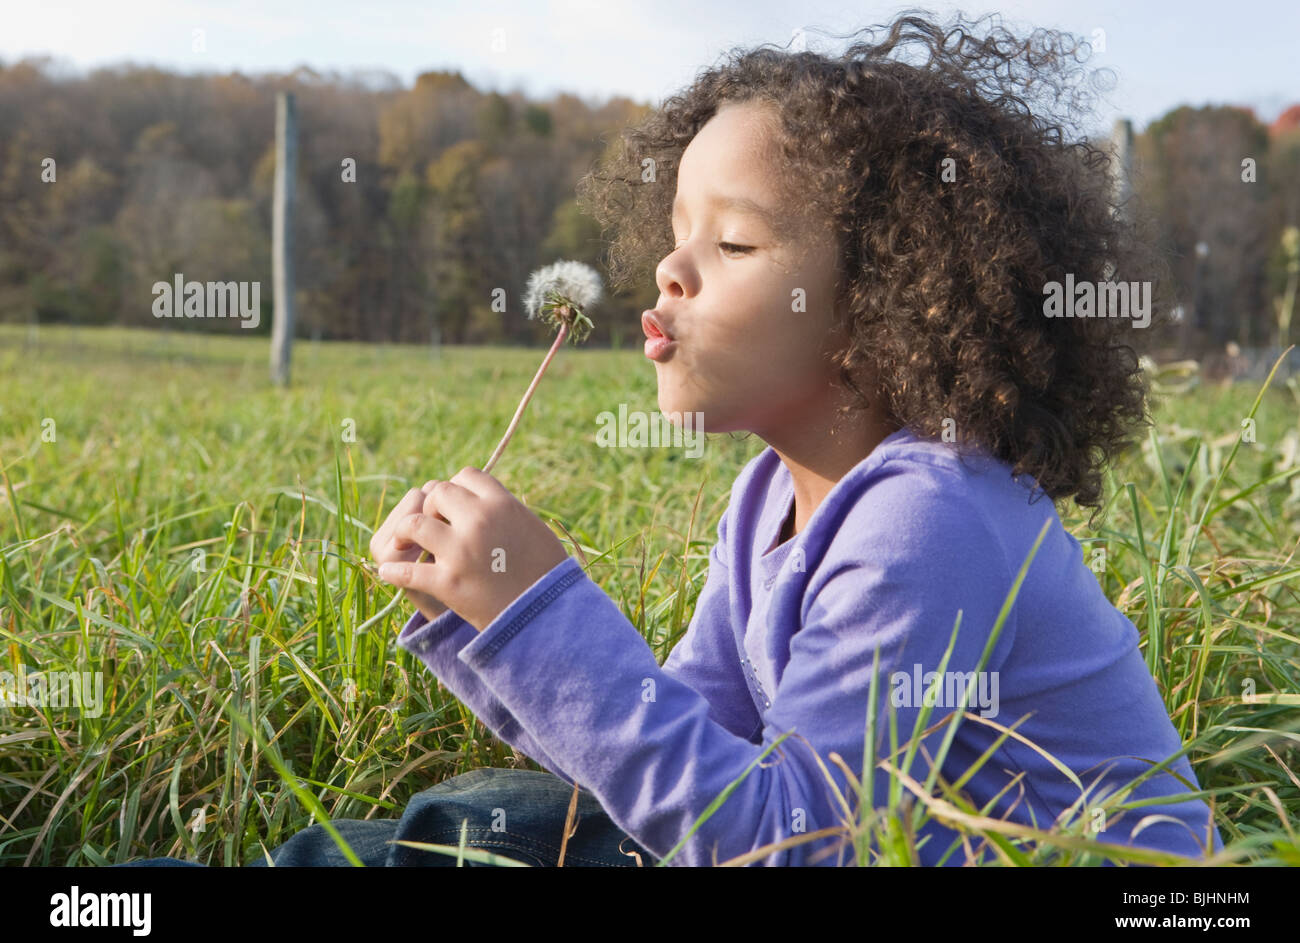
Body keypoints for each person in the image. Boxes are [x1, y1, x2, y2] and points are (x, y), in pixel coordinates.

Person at [124, 11, 1223, 867]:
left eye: (733, 242)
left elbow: (788, 844)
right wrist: (485, 622)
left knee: (492, 831)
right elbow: (662, 763)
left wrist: (537, 608)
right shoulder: (768, 499)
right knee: (506, 818)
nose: (668, 267)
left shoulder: (927, 514)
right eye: (673, 231)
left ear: (880, 304)